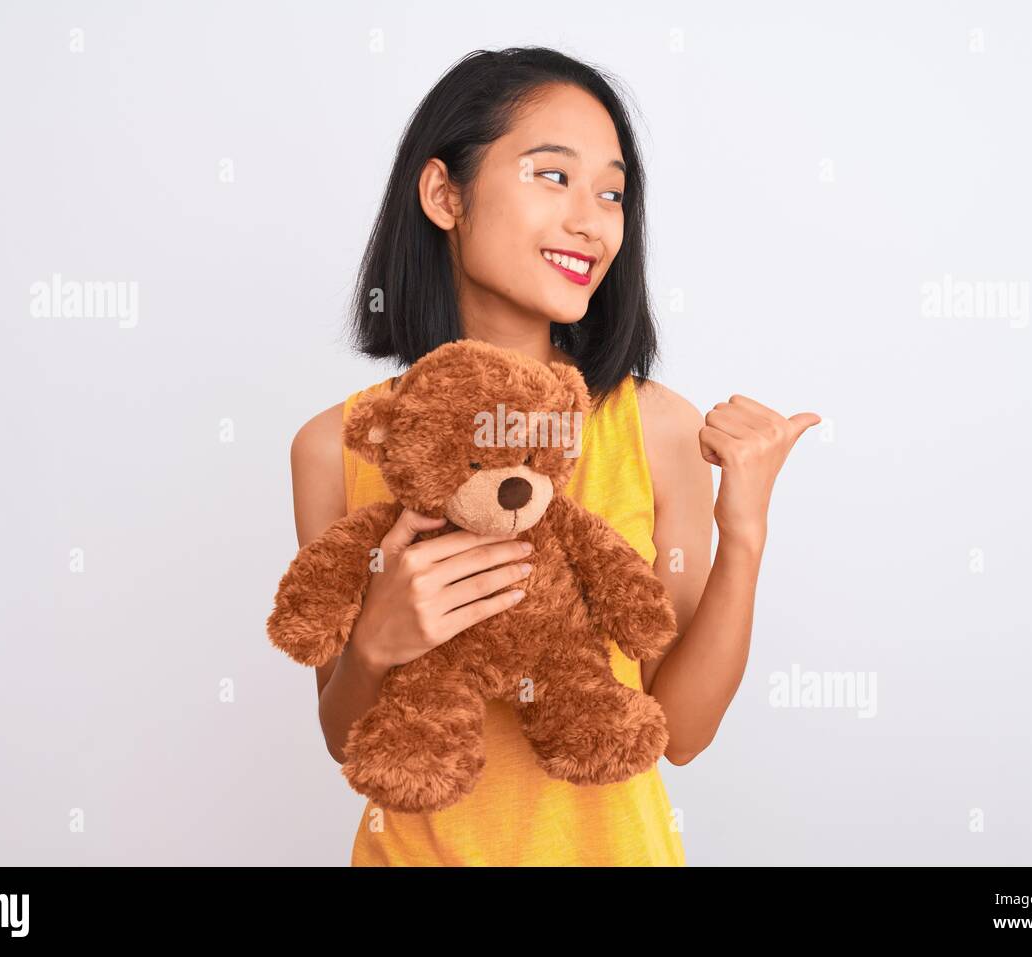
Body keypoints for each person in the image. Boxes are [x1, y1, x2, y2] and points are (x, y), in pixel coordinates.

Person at [288, 46, 819, 865]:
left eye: (612, 193)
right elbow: (342, 736)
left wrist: (743, 530)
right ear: (443, 194)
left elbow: (679, 733)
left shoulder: (653, 427)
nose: (592, 221)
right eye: (552, 176)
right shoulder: (336, 443)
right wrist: (374, 644)